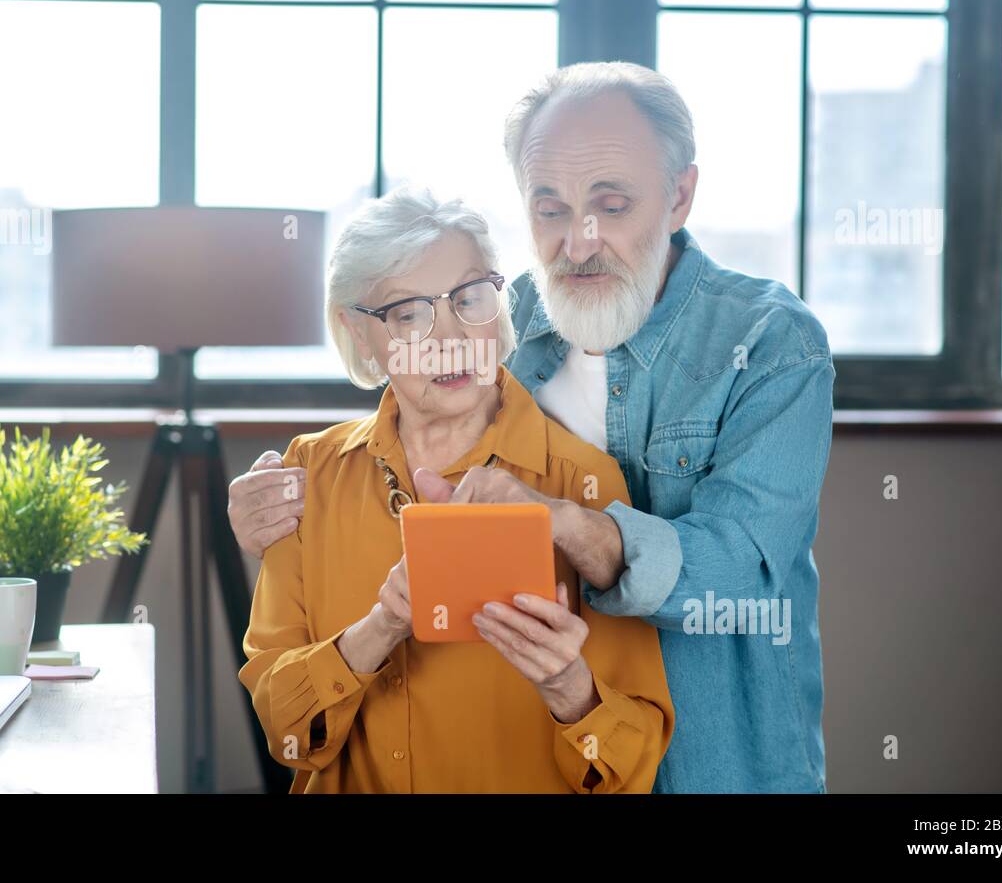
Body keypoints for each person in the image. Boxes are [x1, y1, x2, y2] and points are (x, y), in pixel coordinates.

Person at [231, 62, 835, 793]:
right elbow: (417, 359)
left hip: (718, 763)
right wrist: (282, 505)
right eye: (550, 209)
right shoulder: (506, 314)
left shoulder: (771, 343)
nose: (579, 242)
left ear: (679, 196)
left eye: (611, 205)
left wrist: (566, 525)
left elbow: (741, 573)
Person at [237, 187, 673, 793]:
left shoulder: (580, 481)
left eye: (469, 298)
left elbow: (631, 769)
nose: (451, 337)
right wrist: (380, 627)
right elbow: (284, 729)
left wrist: (566, 687)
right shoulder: (310, 472)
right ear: (359, 334)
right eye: (409, 313)